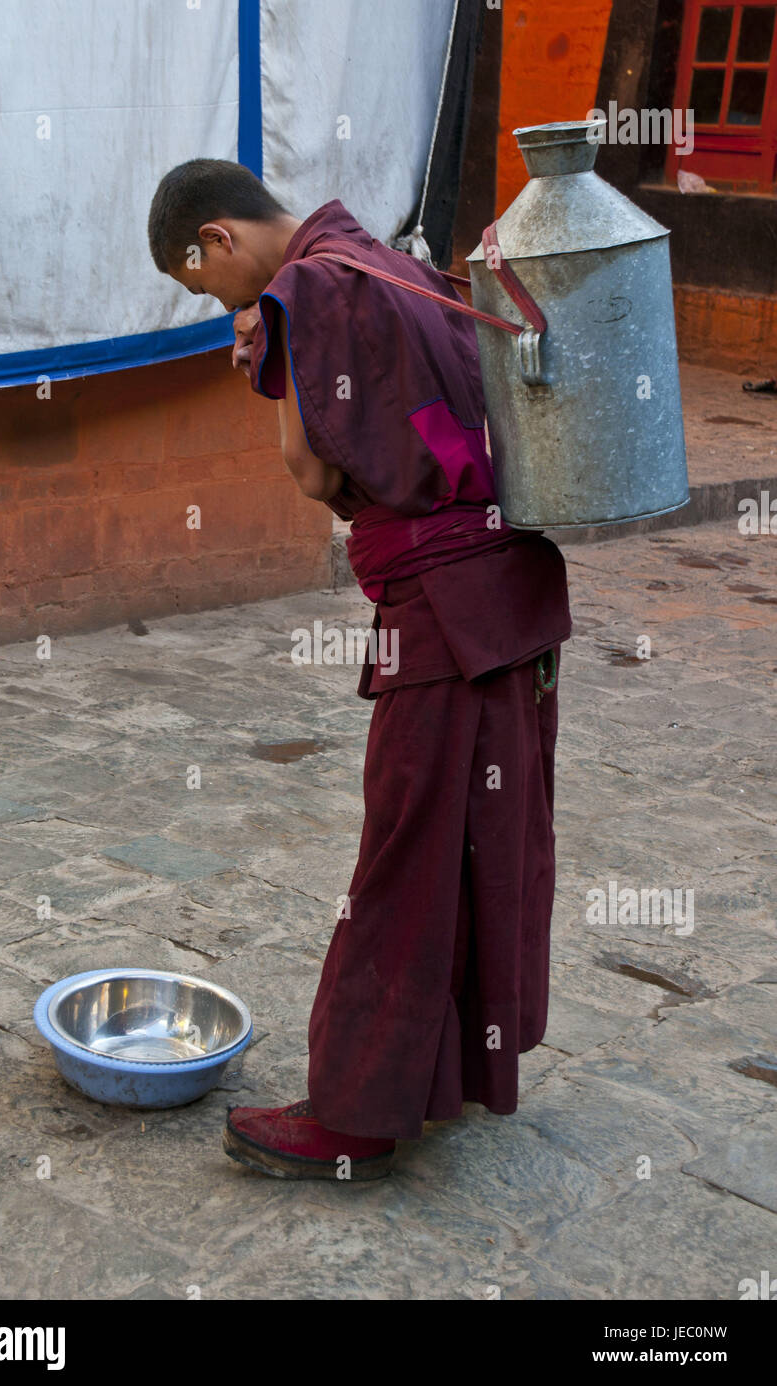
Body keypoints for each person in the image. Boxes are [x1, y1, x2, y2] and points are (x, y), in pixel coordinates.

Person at [148, 158, 572, 1181]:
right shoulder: (385, 257)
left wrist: (266, 365)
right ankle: (448, 1075)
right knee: (482, 838)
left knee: (405, 858)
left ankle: (353, 1112)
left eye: (201, 284)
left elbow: (311, 470)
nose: (219, 303)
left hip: (445, 616)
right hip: (511, 597)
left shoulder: (306, 290)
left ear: (215, 241)